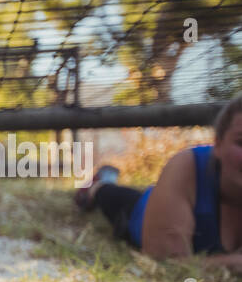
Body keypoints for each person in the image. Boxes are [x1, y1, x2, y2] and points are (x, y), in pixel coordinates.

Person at [75, 92, 242, 270]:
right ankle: (98, 184)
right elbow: (166, 264)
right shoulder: (188, 166)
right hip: (141, 211)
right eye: (241, 142)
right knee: (112, 196)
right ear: (217, 144)